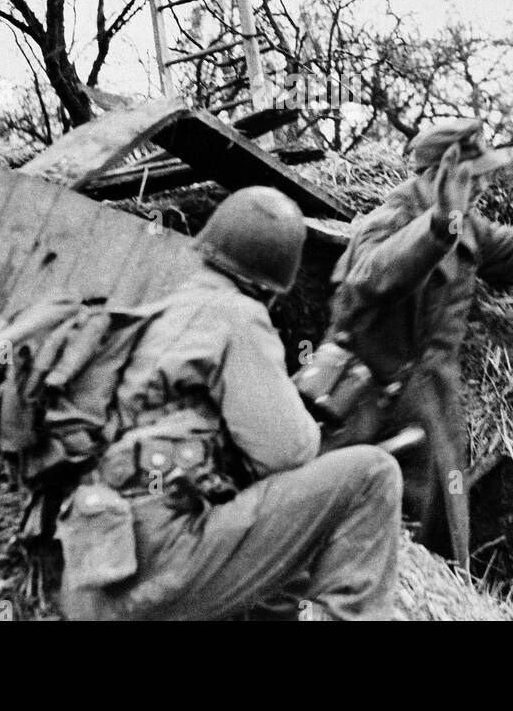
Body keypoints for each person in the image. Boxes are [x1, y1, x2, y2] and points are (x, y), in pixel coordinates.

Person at [58, 185, 402, 621]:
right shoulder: (236, 316)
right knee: (373, 473)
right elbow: (288, 451)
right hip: (160, 568)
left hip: (95, 569)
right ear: (274, 285)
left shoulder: (159, 311)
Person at [326, 119, 513, 570]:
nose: (486, 184)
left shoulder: (466, 225)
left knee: (444, 526)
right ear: (437, 176)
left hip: (434, 400)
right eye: (475, 176)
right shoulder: (388, 222)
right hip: (371, 408)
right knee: (378, 533)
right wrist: (437, 226)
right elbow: (371, 277)